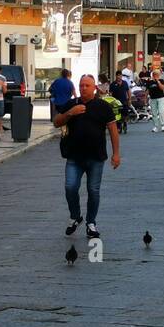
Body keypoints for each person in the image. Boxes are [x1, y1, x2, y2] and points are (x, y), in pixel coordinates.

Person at [53, 73, 120, 242]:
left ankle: (91, 223)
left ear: (94, 88)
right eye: (81, 85)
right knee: (70, 187)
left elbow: (113, 130)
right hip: (74, 156)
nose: (83, 88)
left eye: (87, 86)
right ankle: (75, 216)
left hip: (96, 157)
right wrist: (70, 113)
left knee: (93, 190)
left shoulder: (103, 106)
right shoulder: (72, 104)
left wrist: (116, 153)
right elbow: (57, 122)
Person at [109, 70, 132, 135]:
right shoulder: (113, 84)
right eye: (118, 75)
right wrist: (111, 102)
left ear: (121, 76)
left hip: (124, 101)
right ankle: (119, 127)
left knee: (124, 114)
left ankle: (124, 124)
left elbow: (128, 91)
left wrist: (129, 100)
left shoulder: (125, 83)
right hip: (116, 103)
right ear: (116, 76)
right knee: (117, 116)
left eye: (120, 75)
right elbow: (110, 94)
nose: (119, 77)